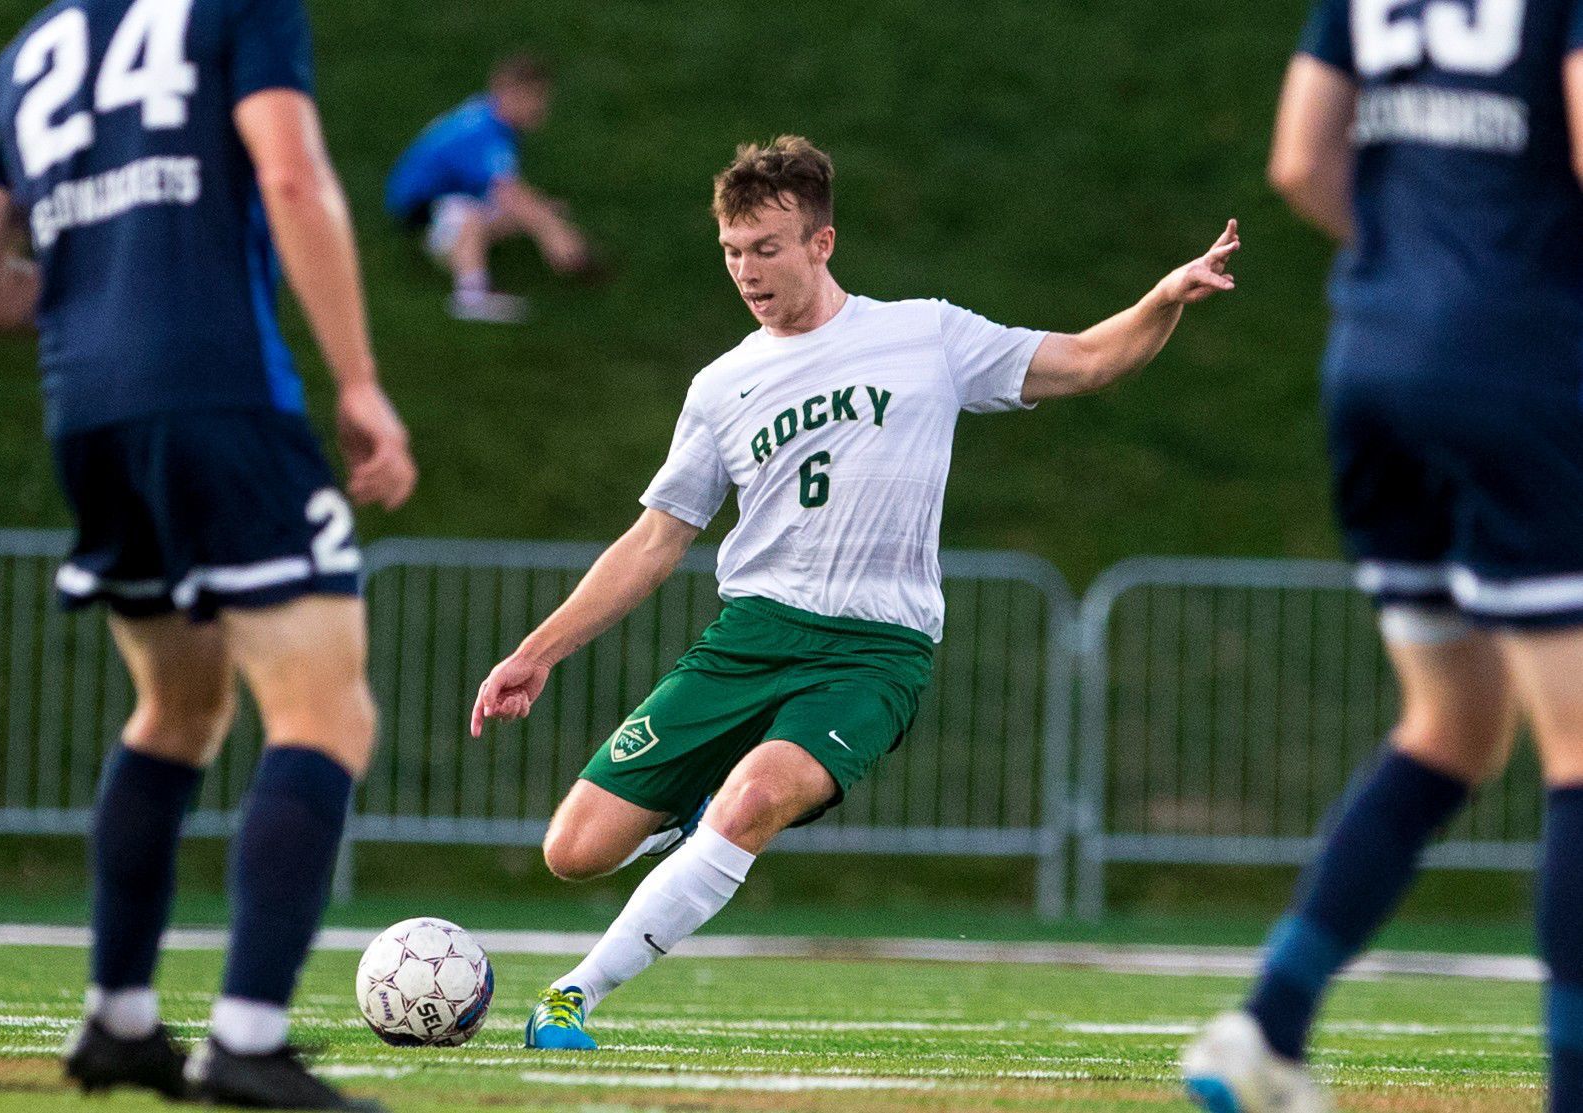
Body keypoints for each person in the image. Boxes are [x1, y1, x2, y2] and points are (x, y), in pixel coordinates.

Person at [470, 135, 1239, 1050]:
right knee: (574, 850)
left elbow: (1085, 361)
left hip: (870, 655)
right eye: (730, 251)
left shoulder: (925, 335)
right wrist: (534, 652)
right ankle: (694, 814)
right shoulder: (722, 386)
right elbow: (654, 540)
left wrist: (1161, 299)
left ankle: (572, 997)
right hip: (748, 639)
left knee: (754, 800)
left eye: (766, 248)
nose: (746, 272)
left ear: (820, 243)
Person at [0, 0, 415, 1108]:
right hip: (219, 396)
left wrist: (97, 288)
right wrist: (357, 380)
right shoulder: (239, 9)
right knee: (324, 713)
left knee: (178, 712)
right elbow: (291, 179)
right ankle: (246, 1036)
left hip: (86, 413)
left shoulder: (24, 55)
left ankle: (118, 1020)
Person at [1181, 1, 1583, 1110]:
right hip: (1516, 363)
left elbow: (1300, 160)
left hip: (1372, 359)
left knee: (1452, 728)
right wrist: (1495, 279)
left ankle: (1267, 1028)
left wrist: (1418, 267)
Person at [385, 54, 592, 323]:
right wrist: (553, 236)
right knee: (472, 213)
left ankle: (453, 250)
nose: (539, 108)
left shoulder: (486, 116)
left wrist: (542, 214)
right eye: (534, 98)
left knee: (527, 211)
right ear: (510, 93)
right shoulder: (485, 132)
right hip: (421, 211)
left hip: (441, 201)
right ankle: (470, 296)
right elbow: (507, 194)